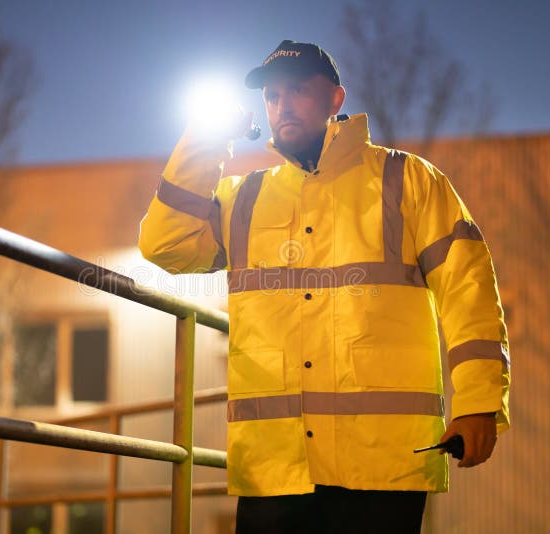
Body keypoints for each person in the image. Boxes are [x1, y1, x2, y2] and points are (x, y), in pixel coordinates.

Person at [138, 40, 510, 533]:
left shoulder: (407, 180)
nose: (282, 105)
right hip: (274, 467)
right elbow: (164, 245)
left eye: (297, 90)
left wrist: (479, 403)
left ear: (336, 98)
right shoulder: (245, 197)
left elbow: (469, 288)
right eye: (272, 97)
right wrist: (207, 141)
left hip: (381, 464)